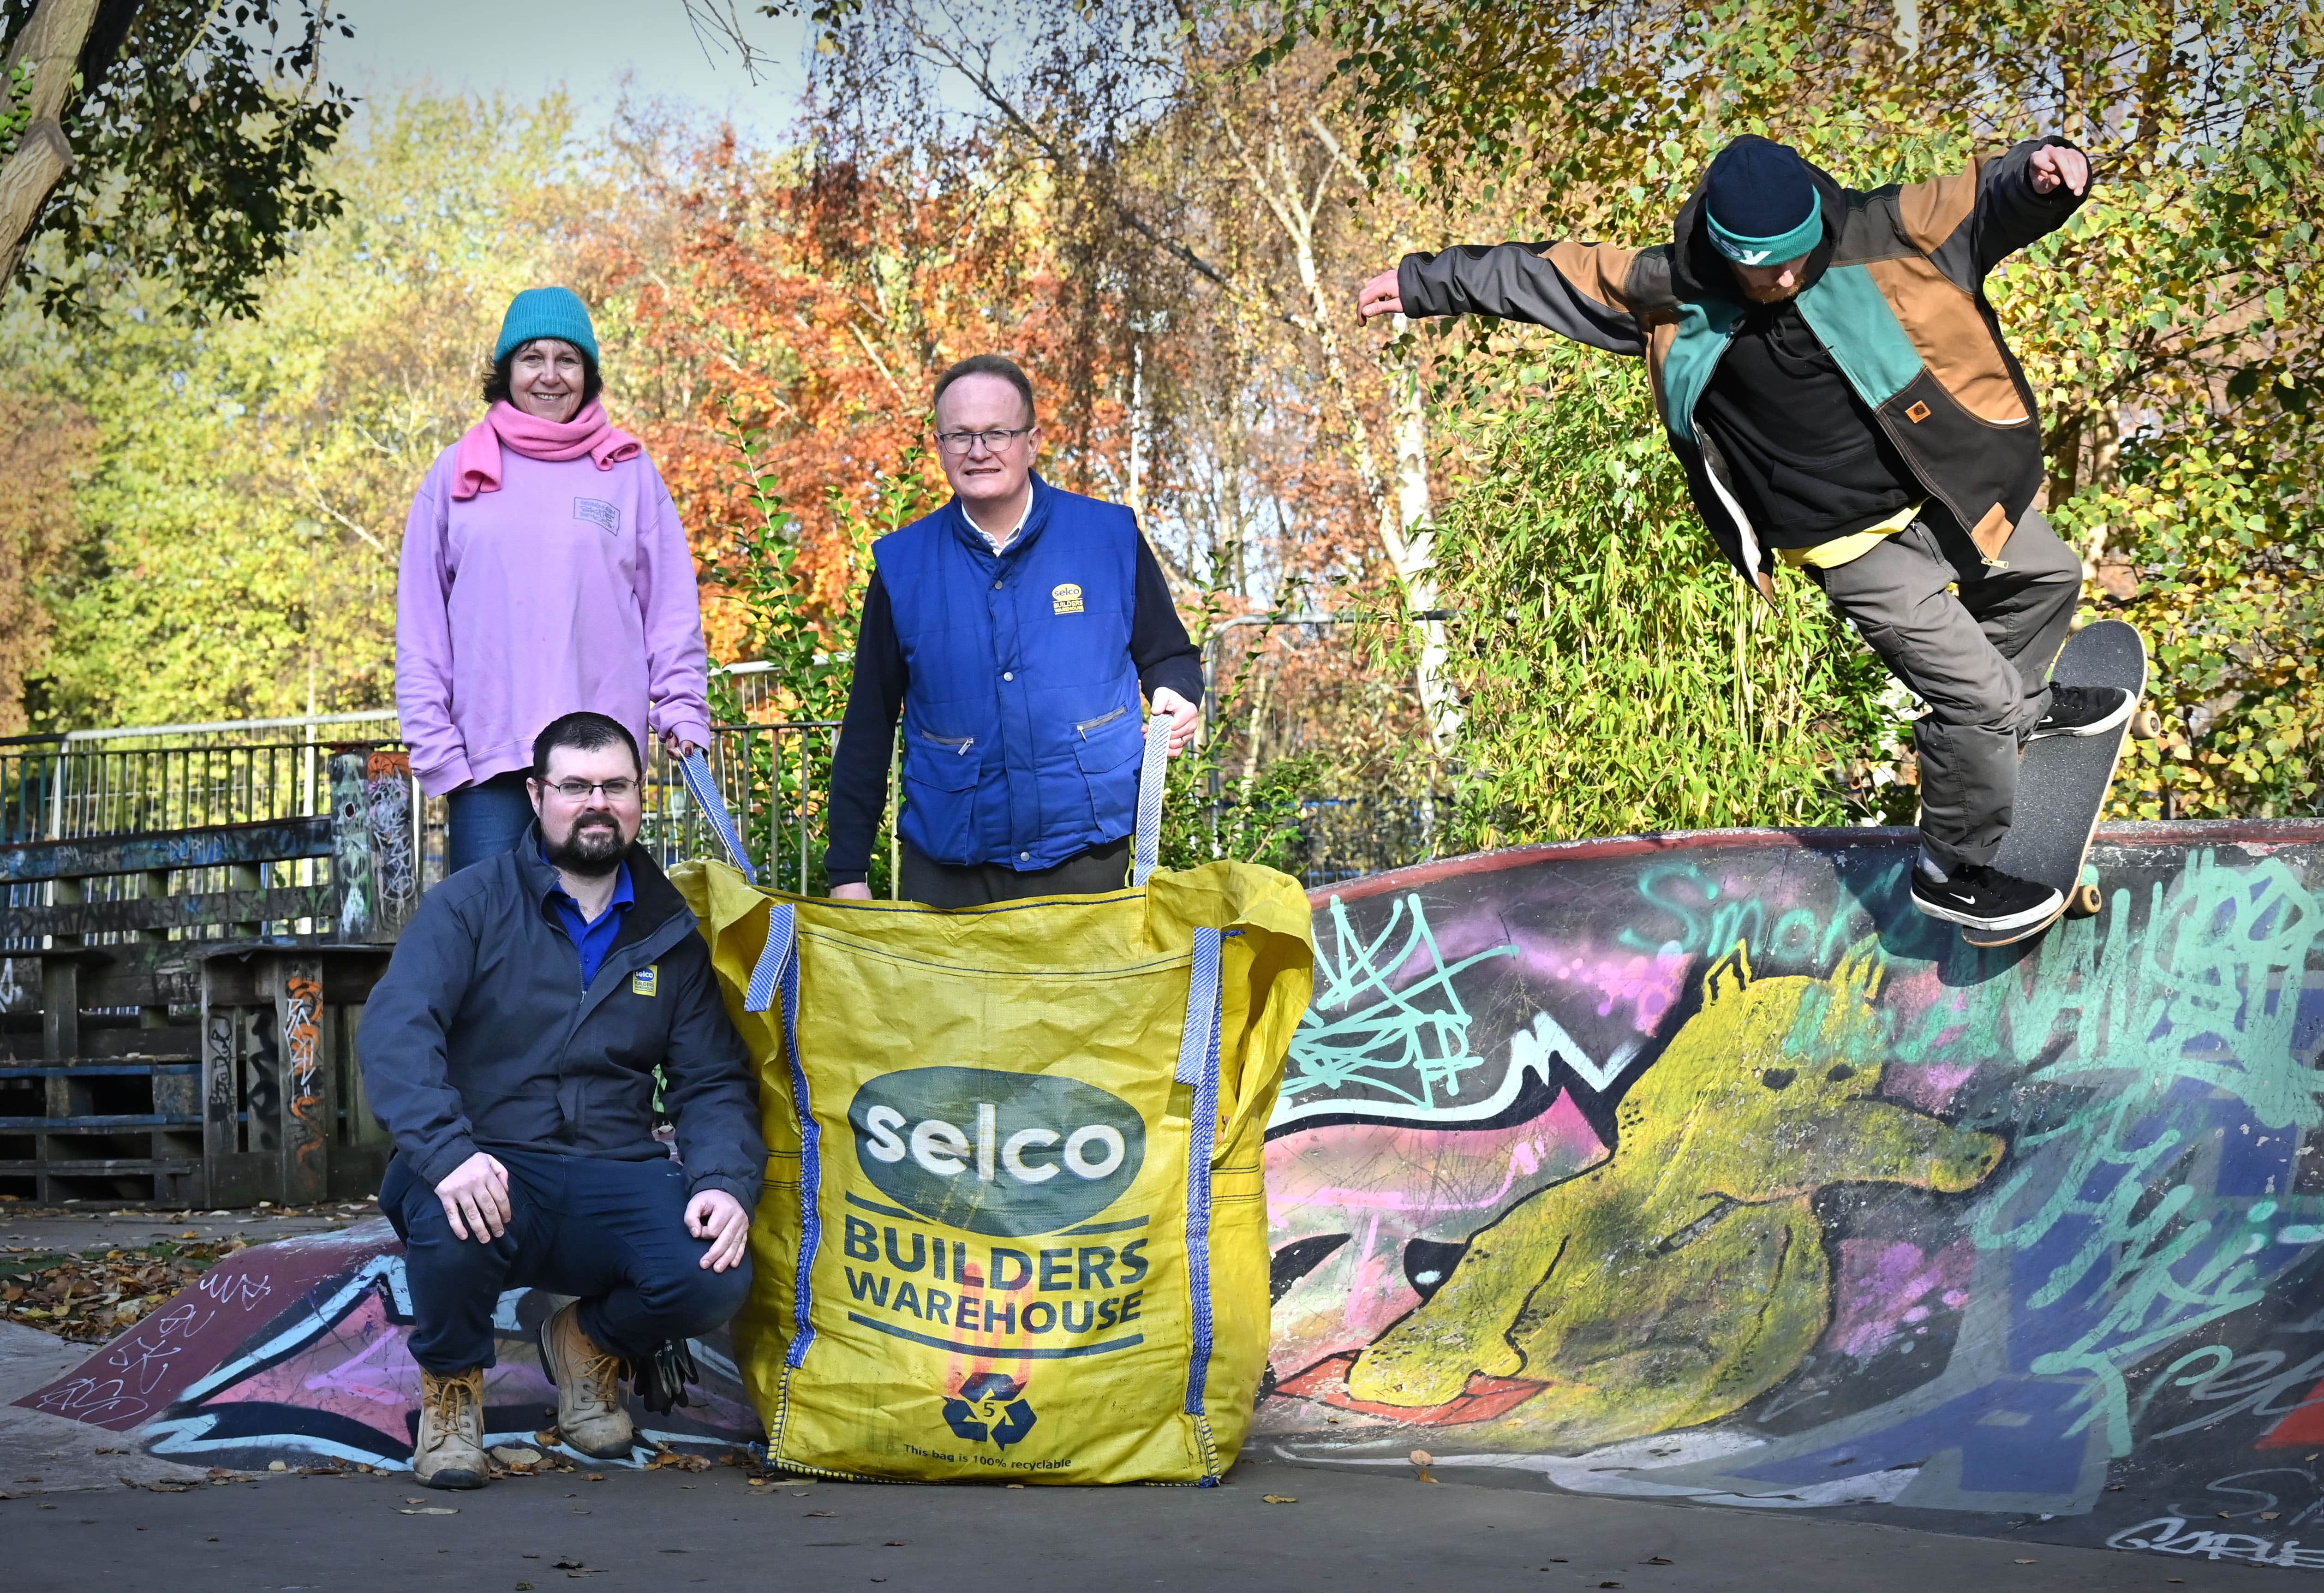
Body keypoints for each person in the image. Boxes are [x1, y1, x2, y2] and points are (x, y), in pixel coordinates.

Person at [1357, 135, 2131, 937]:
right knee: (1976, 702)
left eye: (1798, 258)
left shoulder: (1880, 233)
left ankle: (2016, 710)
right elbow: (1540, 273)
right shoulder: (1668, 290)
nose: (1787, 278)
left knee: (2047, 575)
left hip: (1939, 494)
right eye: (1765, 268)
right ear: (1726, 253)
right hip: (1847, 545)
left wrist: (2043, 176)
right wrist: (1420, 283)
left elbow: (1980, 198)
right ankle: (1952, 867)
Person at [357, 711, 763, 1490]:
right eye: (575, 786)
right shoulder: (470, 903)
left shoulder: (670, 931)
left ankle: (586, 1340)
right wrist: (447, 1152)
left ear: (642, 798)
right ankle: (451, 1394)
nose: (596, 803)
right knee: (450, 1214)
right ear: (538, 794)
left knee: (712, 1273)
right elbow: (398, 1030)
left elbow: (711, 1079)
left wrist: (722, 1180)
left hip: (614, 1166)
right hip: (490, 1160)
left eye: (615, 785)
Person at [824, 354, 1204, 907]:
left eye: (997, 433)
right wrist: (847, 872)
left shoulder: (1109, 539)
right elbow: (868, 726)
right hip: (951, 869)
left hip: (1088, 859)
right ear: (939, 447)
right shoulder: (902, 568)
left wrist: (1177, 693)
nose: (979, 452)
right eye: (960, 436)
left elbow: (1170, 654)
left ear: (1032, 441)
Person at [398, 286, 713, 876]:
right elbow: (421, 626)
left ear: (587, 372)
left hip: (598, 767)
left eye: (567, 359)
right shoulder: (455, 473)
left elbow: (670, 608)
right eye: (531, 358)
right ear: (507, 371)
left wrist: (683, 710)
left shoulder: (629, 472)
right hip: (488, 765)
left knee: (597, 950)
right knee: (491, 953)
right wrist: (434, 746)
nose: (550, 376)